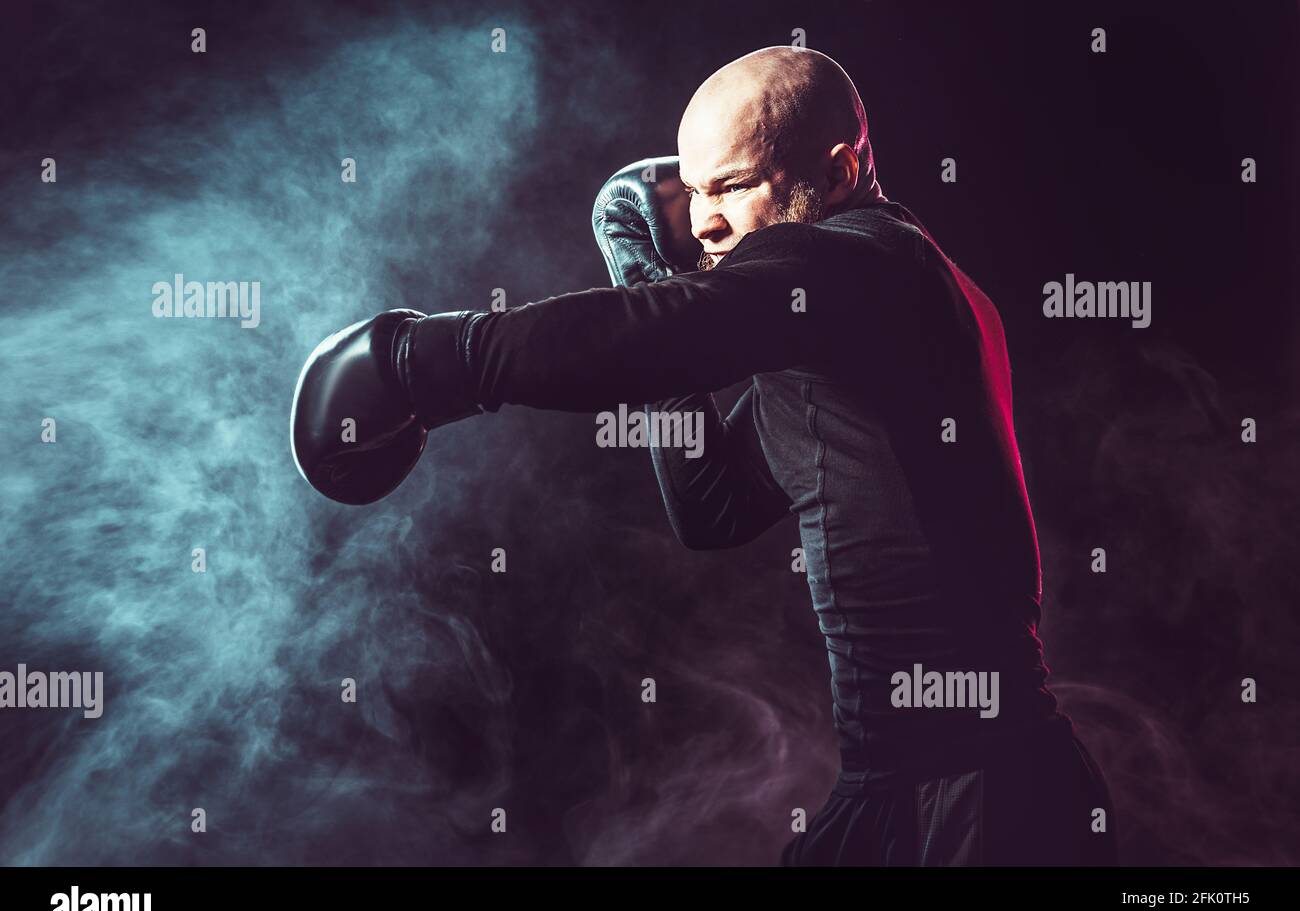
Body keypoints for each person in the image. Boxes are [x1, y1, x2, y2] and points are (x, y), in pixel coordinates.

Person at [291, 46, 1118, 866]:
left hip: (987, 796)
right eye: (691, 193)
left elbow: (663, 333)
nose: (704, 221)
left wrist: (424, 363)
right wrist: (641, 271)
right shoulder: (849, 319)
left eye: (730, 187)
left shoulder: (869, 260)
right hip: (905, 785)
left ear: (835, 174)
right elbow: (710, 504)